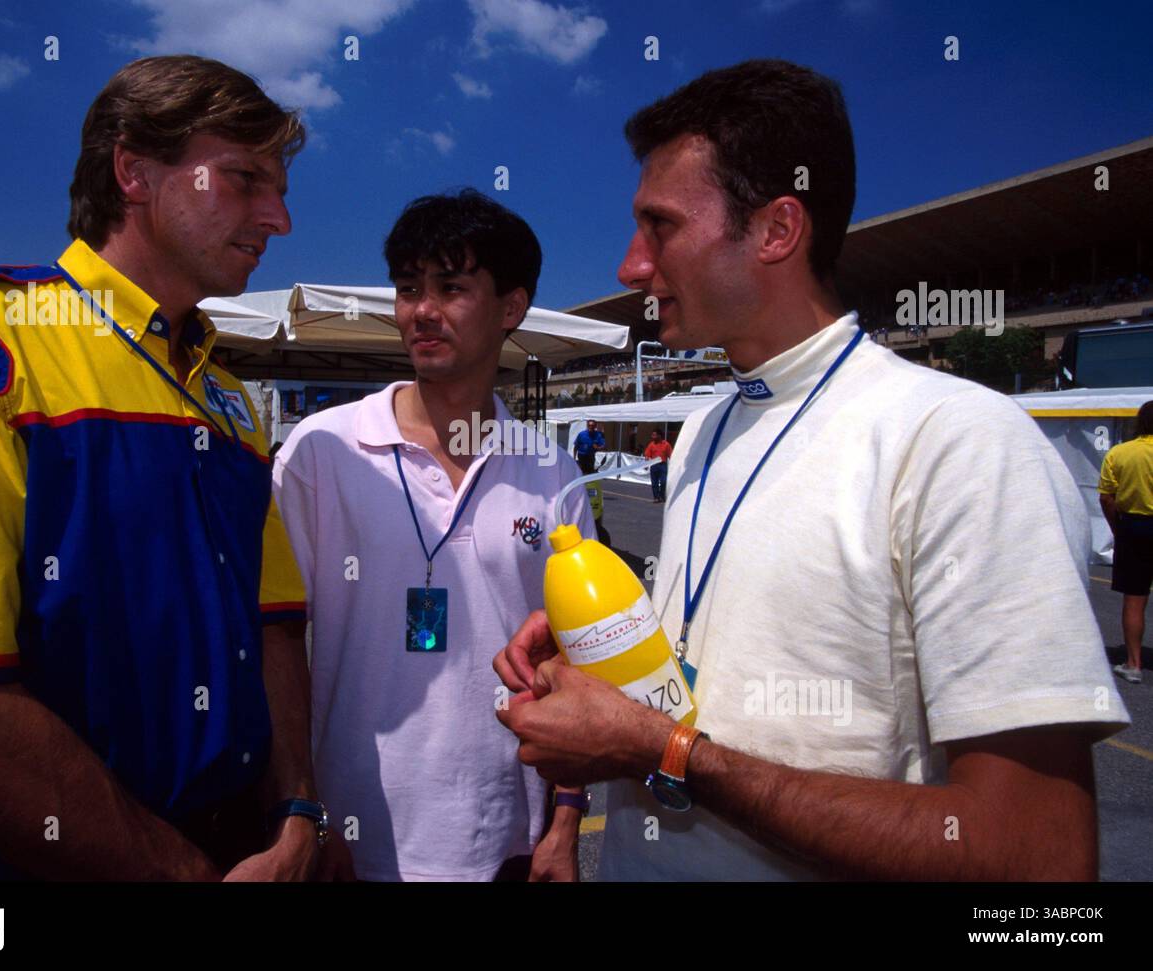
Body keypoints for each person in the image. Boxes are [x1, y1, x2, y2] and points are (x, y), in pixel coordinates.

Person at [494, 59, 1129, 880]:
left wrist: (668, 751)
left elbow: (1038, 860)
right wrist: (606, 657)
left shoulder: (958, 441)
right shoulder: (703, 431)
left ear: (777, 229)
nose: (630, 267)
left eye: (659, 227)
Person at [0, 55, 322, 881]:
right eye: (246, 179)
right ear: (132, 171)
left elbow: (274, 623)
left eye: (279, 187)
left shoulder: (230, 398)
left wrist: (298, 812)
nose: (278, 217)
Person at [272, 189, 595, 881]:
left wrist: (565, 822)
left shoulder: (552, 471)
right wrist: (301, 809)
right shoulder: (320, 451)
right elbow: (273, 645)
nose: (421, 310)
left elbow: (581, 656)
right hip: (352, 839)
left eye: (451, 287)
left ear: (511, 307)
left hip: (505, 836)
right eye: (408, 288)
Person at [1099, 400, 1153, 684]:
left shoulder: (1120, 453)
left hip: (1134, 527)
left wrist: (1117, 530)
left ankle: (1133, 663)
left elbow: (1106, 497)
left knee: (1134, 599)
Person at [643, 429, 673, 502]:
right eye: (652, 435)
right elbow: (647, 455)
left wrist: (673, 465)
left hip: (662, 465)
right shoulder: (651, 444)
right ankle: (656, 497)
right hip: (654, 465)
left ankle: (662, 496)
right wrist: (646, 464)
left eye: (654, 435)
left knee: (663, 481)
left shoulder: (666, 444)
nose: (652, 436)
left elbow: (671, 456)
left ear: (659, 436)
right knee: (654, 483)